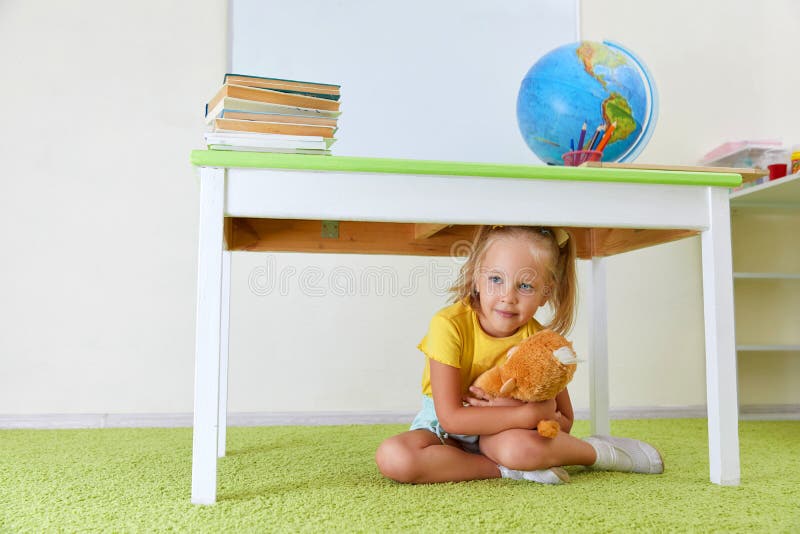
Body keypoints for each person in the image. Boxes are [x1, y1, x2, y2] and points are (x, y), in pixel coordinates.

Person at [375, 225, 663, 484]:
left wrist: (519, 414)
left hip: (505, 439)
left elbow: (564, 420)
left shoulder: (538, 341)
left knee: (518, 449)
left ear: (545, 292)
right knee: (394, 456)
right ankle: (505, 470)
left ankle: (598, 452)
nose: (507, 296)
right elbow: (451, 419)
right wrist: (527, 412)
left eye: (525, 286)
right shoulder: (449, 325)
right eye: (496, 279)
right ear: (476, 277)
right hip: (445, 434)